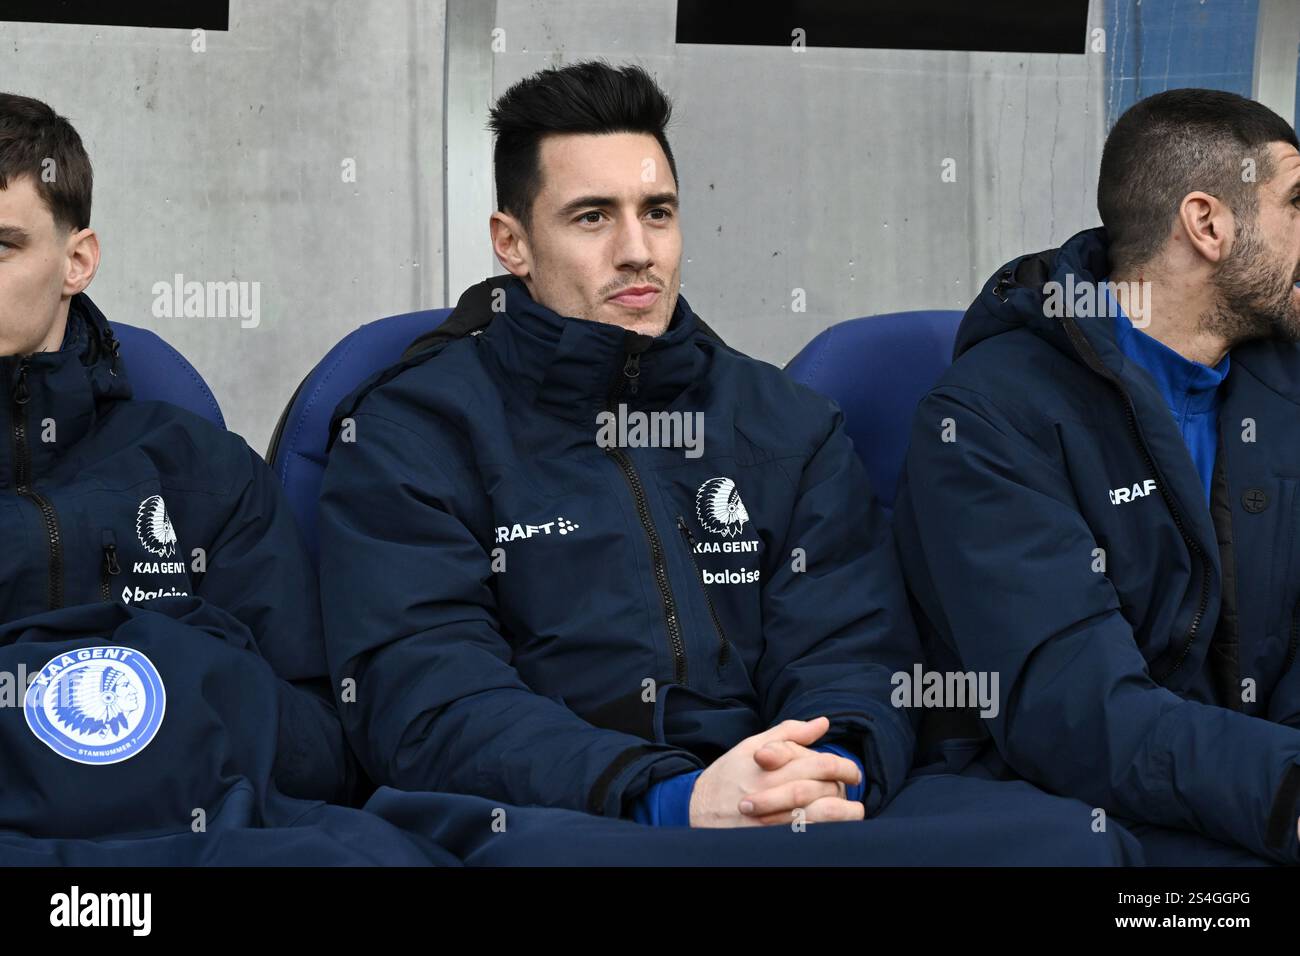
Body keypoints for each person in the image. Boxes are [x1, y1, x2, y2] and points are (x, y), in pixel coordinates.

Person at [319, 61, 1138, 864]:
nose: (639, 251)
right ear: (514, 243)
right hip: (569, 809)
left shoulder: (783, 421)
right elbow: (428, 697)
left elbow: (852, 649)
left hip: (793, 792)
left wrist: (828, 767)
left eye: (659, 212)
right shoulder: (413, 429)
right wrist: (667, 795)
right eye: (593, 218)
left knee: (1069, 844)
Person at [0, 91, 440, 865]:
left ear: (78, 260)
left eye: (1, 246)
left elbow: (322, 744)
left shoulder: (200, 468)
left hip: (214, 843)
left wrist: (171, 681)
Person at [893, 88, 1300, 865]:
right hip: (1080, 812)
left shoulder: (1280, 382)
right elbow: (1072, 711)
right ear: (1208, 224)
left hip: (1251, 788)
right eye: (1296, 201)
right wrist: (1285, 793)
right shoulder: (985, 419)